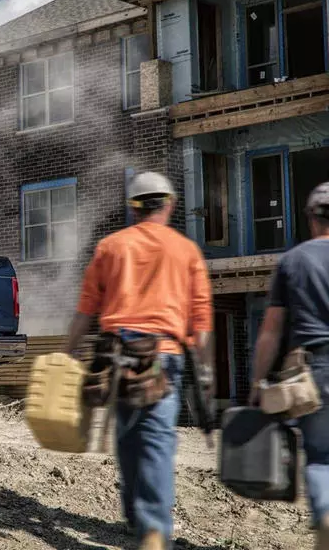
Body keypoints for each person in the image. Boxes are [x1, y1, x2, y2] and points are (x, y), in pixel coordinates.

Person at [65, 171, 214, 550]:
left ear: (132, 208)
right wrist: (207, 366)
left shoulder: (111, 247)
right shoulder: (186, 251)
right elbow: (201, 320)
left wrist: (69, 351)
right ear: (169, 204)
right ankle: (152, 528)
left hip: (116, 357)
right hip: (163, 357)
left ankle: (137, 516)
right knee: (157, 441)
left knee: (128, 437)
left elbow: (86, 310)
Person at [250, 182, 329, 550]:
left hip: (313, 372)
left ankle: (326, 513)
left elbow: (270, 333)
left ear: (312, 219)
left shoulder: (293, 261)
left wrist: (256, 383)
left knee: (320, 457)